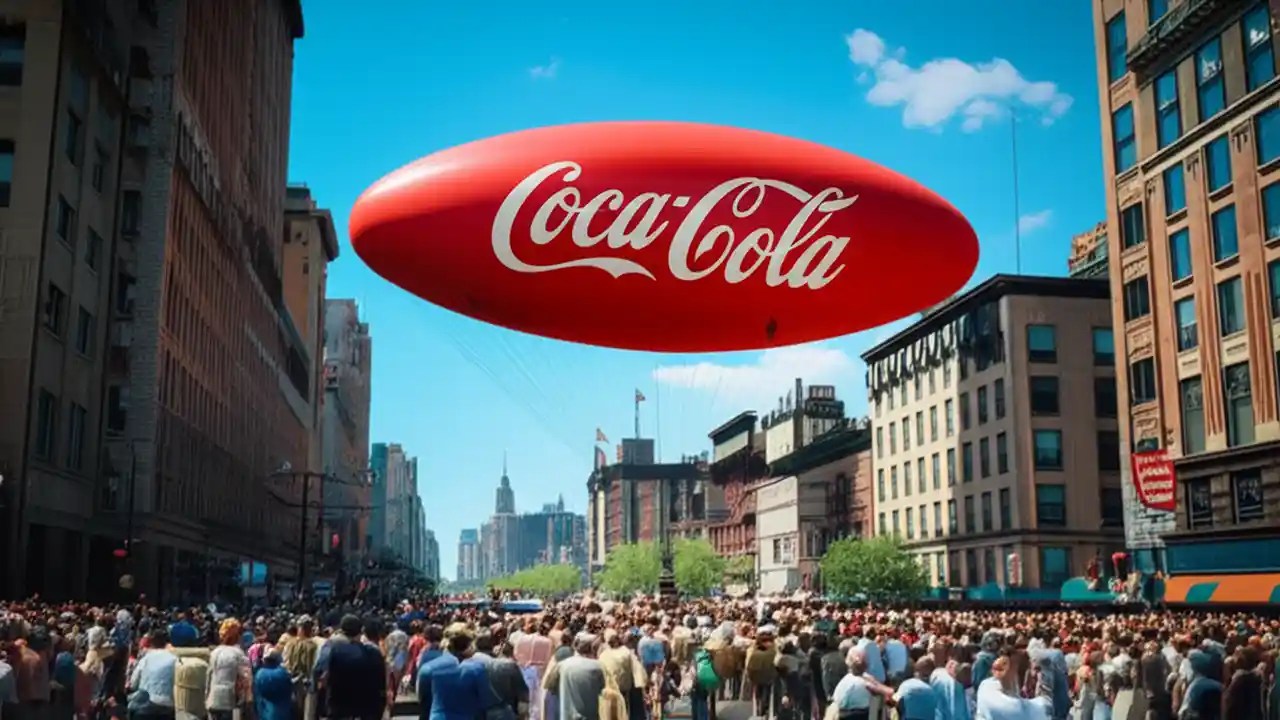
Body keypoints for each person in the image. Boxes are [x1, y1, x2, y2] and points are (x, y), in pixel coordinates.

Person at [417, 623, 495, 720]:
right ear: (470, 645)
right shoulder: (478, 669)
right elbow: (487, 702)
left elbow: (423, 701)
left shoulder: (428, 668)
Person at [324, 616, 389, 720]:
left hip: (341, 711)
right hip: (367, 711)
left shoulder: (333, 650)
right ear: (361, 631)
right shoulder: (374, 653)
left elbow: (326, 680)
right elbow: (382, 685)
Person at [541, 633, 604, 720]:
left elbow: (549, 686)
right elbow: (603, 689)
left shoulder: (563, 665)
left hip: (567, 714)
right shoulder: (598, 667)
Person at [128, 628, 178, 720]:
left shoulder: (146, 658)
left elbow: (133, 683)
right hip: (168, 707)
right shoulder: (174, 659)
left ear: (151, 643)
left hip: (146, 707)